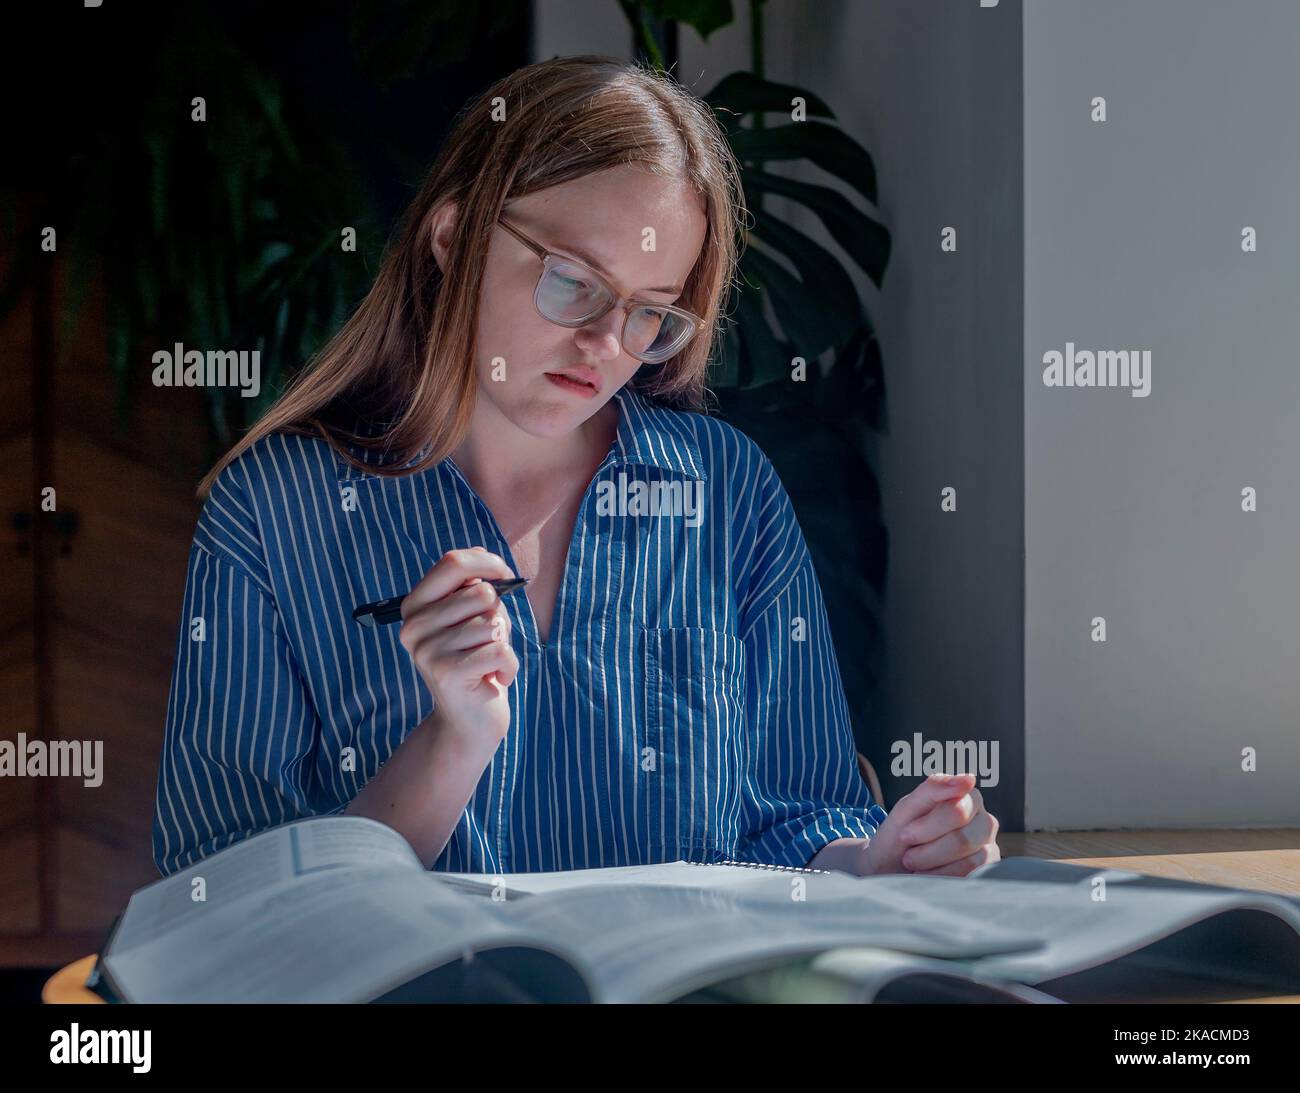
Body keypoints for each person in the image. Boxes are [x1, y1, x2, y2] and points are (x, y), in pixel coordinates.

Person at [152, 55, 999, 879]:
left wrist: (877, 860)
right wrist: (449, 744)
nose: (604, 346)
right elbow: (223, 889)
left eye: (650, 314)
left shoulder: (726, 491)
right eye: (573, 282)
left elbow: (798, 816)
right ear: (455, 237)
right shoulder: (271, 513)